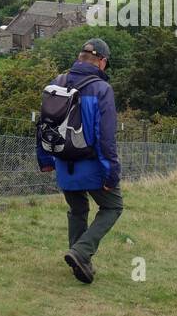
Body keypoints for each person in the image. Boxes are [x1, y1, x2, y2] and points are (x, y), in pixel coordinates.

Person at [36, 38, 122, 284]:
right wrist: (111, 173)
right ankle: (81, 253)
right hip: (91, 163)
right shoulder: (102, 90)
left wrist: (45, 159)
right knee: (113, 206)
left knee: (77, 208)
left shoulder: (56, 83)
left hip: (63, 160)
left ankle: (79, 260)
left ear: (80, 57)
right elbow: (105, 138)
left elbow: (44, 125)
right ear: (102, 62)